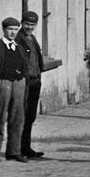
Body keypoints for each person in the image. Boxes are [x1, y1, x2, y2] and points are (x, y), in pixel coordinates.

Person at [0, 17, 29, 163]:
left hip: (18, 84)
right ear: (4, 30)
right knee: (0, 117)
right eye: (10, 29)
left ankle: (14, 151)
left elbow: (25, 66)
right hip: (3, 84)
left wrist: (23, 78)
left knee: (18, 117)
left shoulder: (20, 48)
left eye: (15, 29)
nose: (13, 32)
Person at [18, 10, 61, 159]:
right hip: (25, 82)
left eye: (32, 24)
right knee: (22, 116)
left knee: (30, 116)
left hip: (35, 80)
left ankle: (26, 147)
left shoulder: (32, 38)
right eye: (27, 24)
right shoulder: (18, 39)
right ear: (22, 23)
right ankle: (18, 149)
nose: (29, 27)